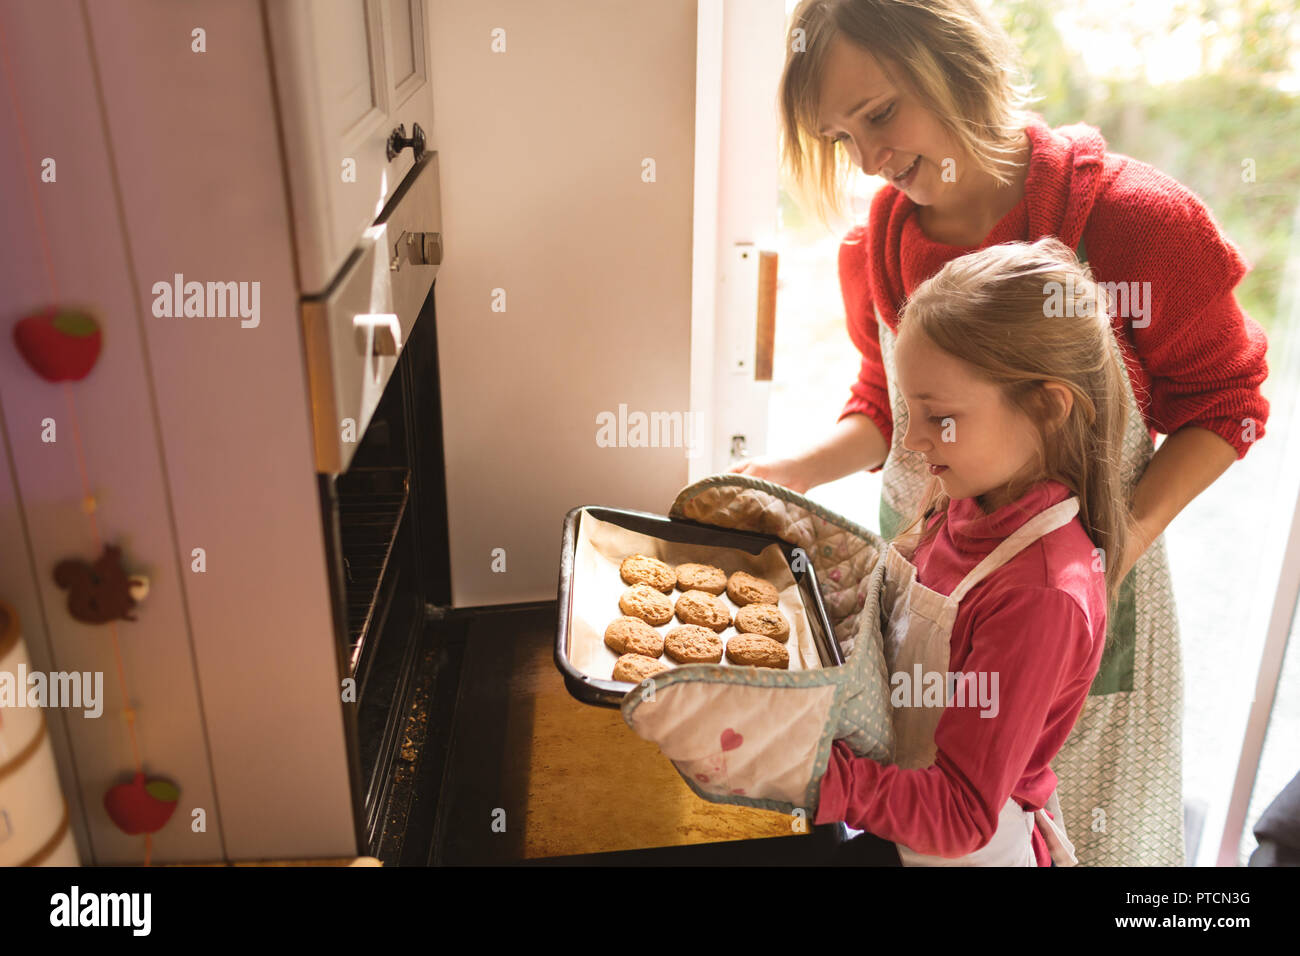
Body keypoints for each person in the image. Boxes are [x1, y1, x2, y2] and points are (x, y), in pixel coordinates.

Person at [735, 0, 1271, 866]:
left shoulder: (1134, 223)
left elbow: (1228, 404)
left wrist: (1113, 546)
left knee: (1066, 836)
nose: (870, 159)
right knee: (922, 808)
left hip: (1069, 610)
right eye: (842, 137)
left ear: (957, 59)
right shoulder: (884, 238)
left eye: (879, 114)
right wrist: (792, 471)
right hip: (930, 591)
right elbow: (887, 405)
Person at [817, 237, 1125, 866]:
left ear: (1046, 406)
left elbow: (960, 813)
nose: (911, 442)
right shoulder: (967, 503)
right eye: (909, 411)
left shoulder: (1041, 595)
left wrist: (812, 775)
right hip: (896, 819)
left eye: (939, 417)